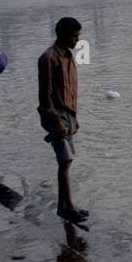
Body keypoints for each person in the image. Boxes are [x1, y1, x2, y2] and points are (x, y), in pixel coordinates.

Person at [38, 17, 87, 224]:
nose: (77, 40)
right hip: (56, 115)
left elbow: (70, 90)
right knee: (65, 161)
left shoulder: (68, 56)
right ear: (64, 35)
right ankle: (67, 208)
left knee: (66, 162)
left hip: (68, 115)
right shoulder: (49, 58)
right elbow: (45, 94)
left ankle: (65, 206)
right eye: (75, 36)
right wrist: (56, 121)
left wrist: (74, 117)